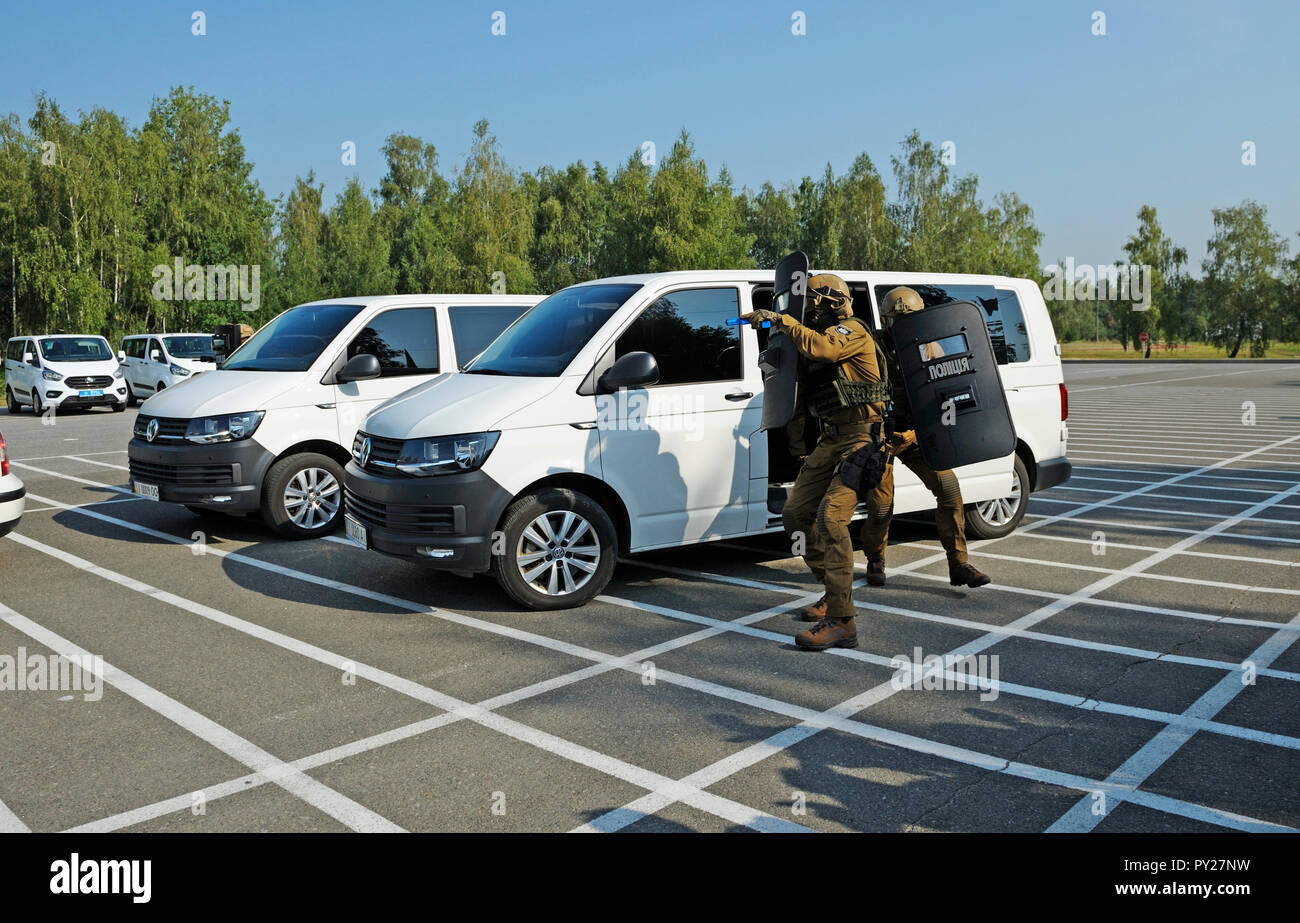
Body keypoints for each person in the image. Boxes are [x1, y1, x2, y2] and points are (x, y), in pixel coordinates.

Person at [741, 274, 888, 651]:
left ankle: (842, 621)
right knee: (794, 516)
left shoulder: (850, 331)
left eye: (813, 301)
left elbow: (824, 349)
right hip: (830, 438)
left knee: (830, 519)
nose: (807, 308)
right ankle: (834, 589)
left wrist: (784, 321)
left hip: (860, 437)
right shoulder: (811, 337)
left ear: (831, 301)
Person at [861, 286, 990, 589]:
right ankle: (876, 559)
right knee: (881, 507)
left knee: (950, 492)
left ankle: (959, 564)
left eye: (911, 320)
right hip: (883, 436)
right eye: (897, 320)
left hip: (920, 434)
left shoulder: (930, 346)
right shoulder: (873, 348)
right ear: (887, 320)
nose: (903, 326)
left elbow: (948, 384)